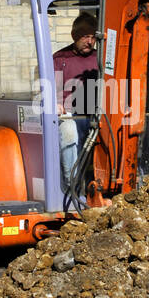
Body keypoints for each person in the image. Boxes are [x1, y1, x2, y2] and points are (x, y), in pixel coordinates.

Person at [53, 13, 99, 189]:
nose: (90, 41)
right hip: (69, 114)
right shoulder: (60, 59)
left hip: (94, 112)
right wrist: (56, 103)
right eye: (85, 36)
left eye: (93, 36)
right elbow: (52, 88)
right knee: (70, 131)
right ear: (74, 35)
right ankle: (72, 185)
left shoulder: (100, 59)